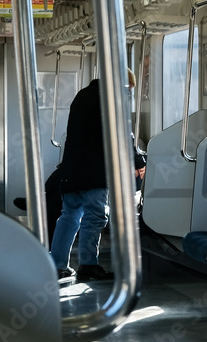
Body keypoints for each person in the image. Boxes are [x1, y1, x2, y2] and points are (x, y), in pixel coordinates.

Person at [50, 70, 146, 281]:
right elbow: (123, 132)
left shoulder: (82, 95)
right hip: (95, 170)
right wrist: (138, 161)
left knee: (69, 216)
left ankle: (57, 265)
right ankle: (88, 265)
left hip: (71, 169)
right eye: (128, 90)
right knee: (95, 217)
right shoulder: (112, 97)